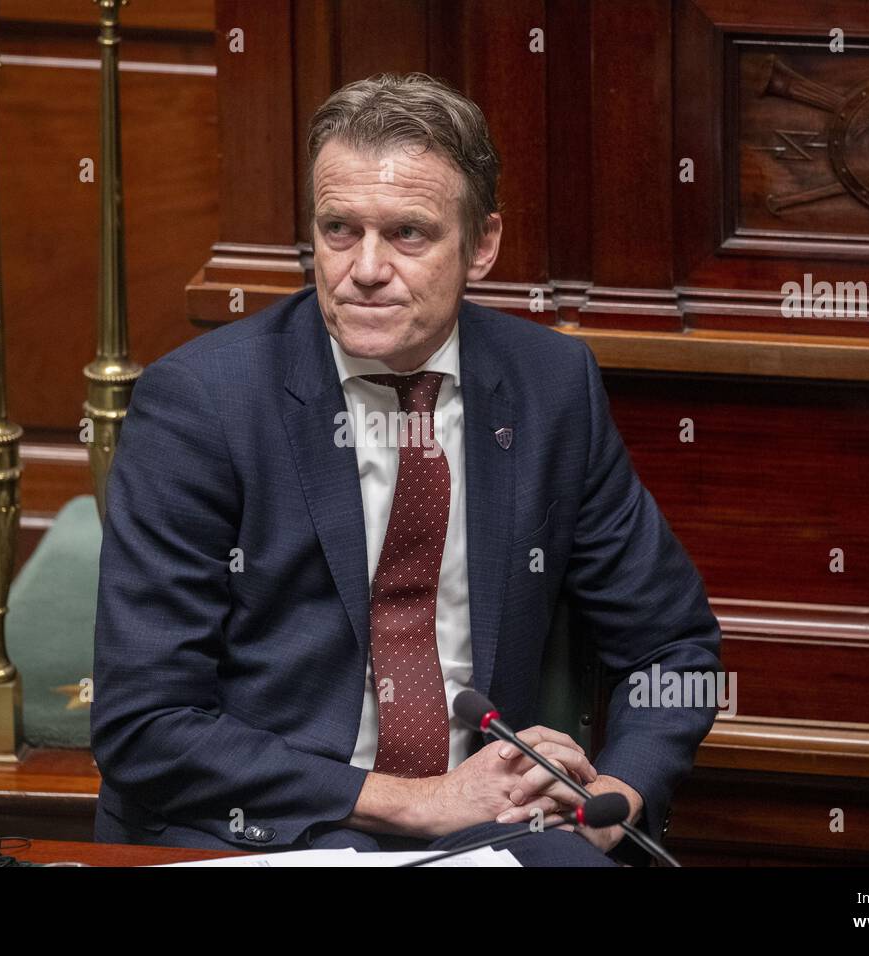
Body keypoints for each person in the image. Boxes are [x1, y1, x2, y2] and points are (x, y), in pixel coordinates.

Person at [91, 72, 722, 866]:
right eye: (338, 229)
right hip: (260, 831)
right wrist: (418, 802)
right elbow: (143, 725)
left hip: (489, 830)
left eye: (408, 234)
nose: (365, 267)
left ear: (483, 244)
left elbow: (673, 649)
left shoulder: (549, 387)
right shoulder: (202, 404)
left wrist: (616, 798)